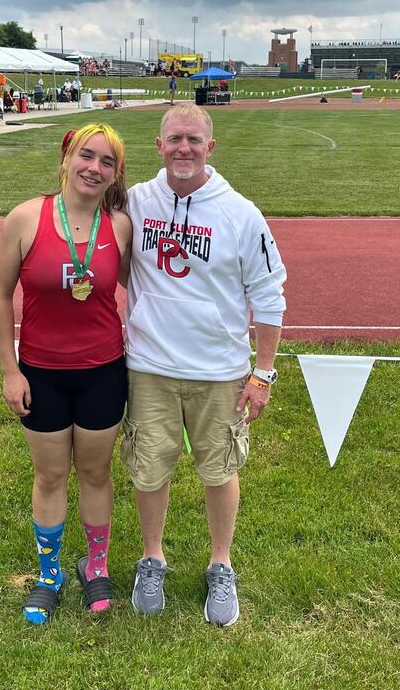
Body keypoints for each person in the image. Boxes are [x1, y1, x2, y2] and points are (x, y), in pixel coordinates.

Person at [121, 102, 286, 628]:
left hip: (219, 370)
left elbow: (270, 296)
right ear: (159, 145)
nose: (184, 148)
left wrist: (262, 372)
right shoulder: (136, 203)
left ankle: (221, 563)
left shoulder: (241, 213)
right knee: (149, 468)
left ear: (210, 148)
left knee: (219, 469)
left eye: (194, 140)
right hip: (149, 364)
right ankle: (153, 558)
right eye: (175, 139)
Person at [0, 124, 132, 625]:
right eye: (86, 156)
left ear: (116, 174)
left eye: (106, 162)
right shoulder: (26, 218)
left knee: (95, 472)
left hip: (103, 370)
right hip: (42, 373)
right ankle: (50, 575)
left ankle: (95, 566)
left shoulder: (121, 226)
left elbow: (138, 289)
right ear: (67, 157)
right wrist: (11, 370)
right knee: (50, 475)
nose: (94, 168)